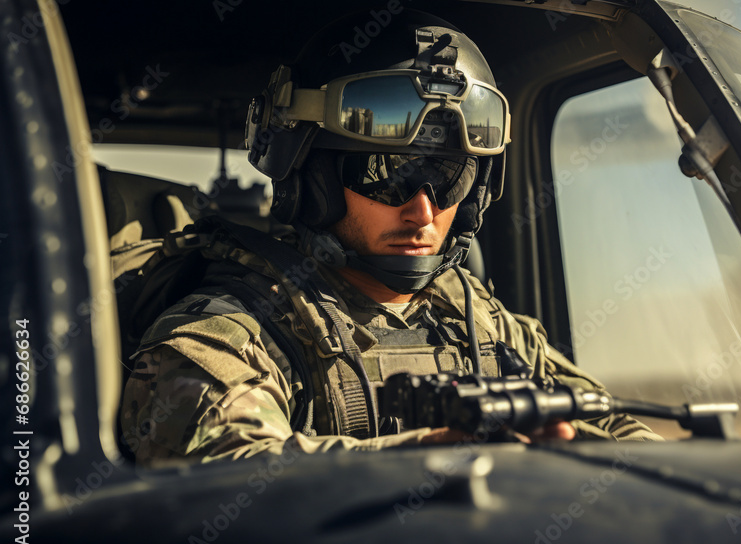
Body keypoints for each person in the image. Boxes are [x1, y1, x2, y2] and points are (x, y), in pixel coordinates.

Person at [119, 9, 660, 466]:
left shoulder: (483, 325)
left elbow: (622, 433)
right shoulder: (227, 331)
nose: (422, 209)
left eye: (450, 176)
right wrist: (435, 457)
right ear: (315, 180)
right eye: (387, 172)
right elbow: (235, 479)